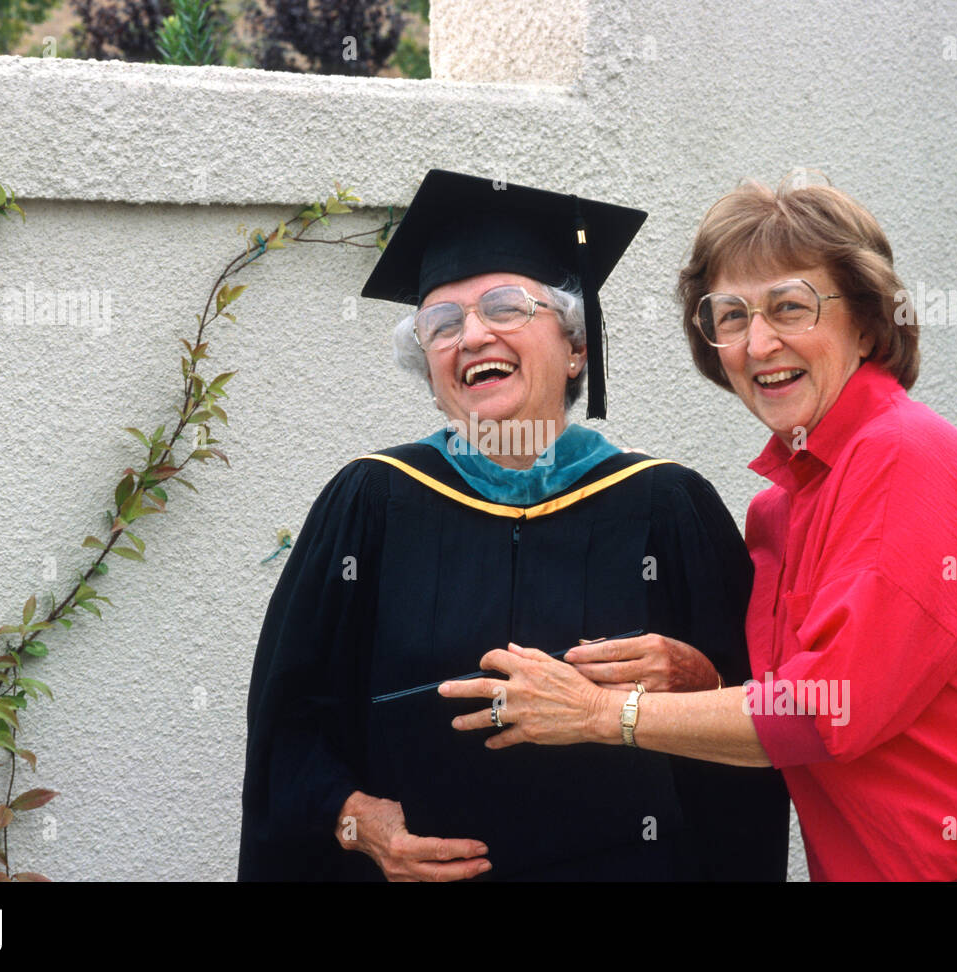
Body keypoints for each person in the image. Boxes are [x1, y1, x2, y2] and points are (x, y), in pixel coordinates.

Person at [441, 177, 957, 881]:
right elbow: (788, 704)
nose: (758, 342)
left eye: (790, 307)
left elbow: (826, 711)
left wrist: (601, 712)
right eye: (730, 316)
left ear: (865, 322)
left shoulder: (906, 457)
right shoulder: (782, 507)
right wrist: (696, 679)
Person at [237, 169, 789, 881]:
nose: (472, 334)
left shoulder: (667, 508)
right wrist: (352, 817)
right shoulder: (371, 503)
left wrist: (704, 676)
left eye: (505, 306)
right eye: (441, 322)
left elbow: (763, 723)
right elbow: (290, 725)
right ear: (429, 367)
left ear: (576, 347)